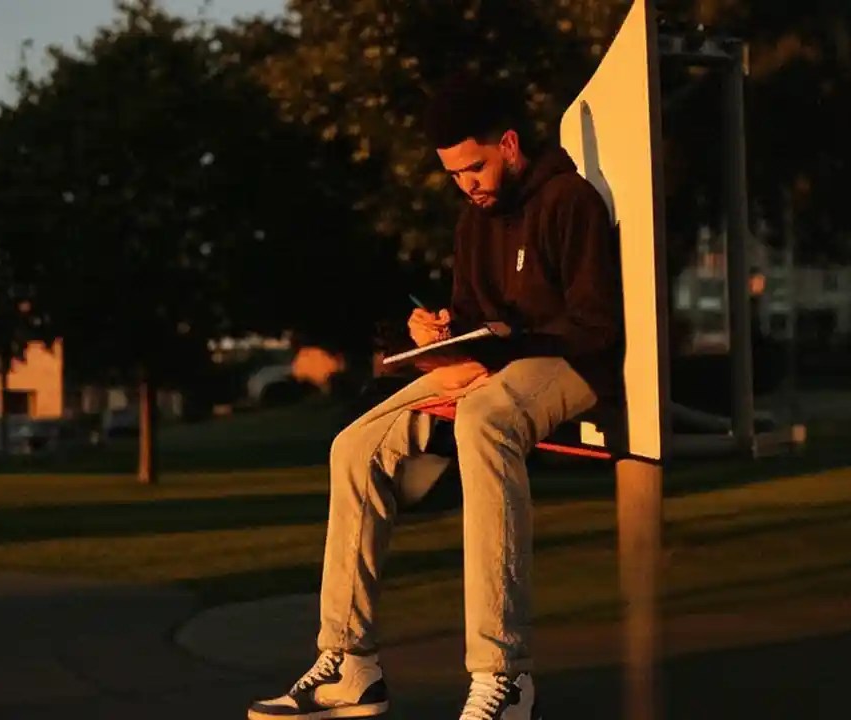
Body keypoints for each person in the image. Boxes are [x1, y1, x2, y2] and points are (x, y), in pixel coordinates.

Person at [248, 73, 623, 720]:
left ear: (509, 145)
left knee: (483, 419)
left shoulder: (571, 201)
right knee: (354, 445)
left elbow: (593, 323)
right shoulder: (473, 221)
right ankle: (349, 663)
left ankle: (504, 677)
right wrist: (439, 331)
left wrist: (498, 348)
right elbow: (476, 310)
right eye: (453, 175)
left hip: (570, 362)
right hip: (493, 362)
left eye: (474, 167)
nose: (467, 184)